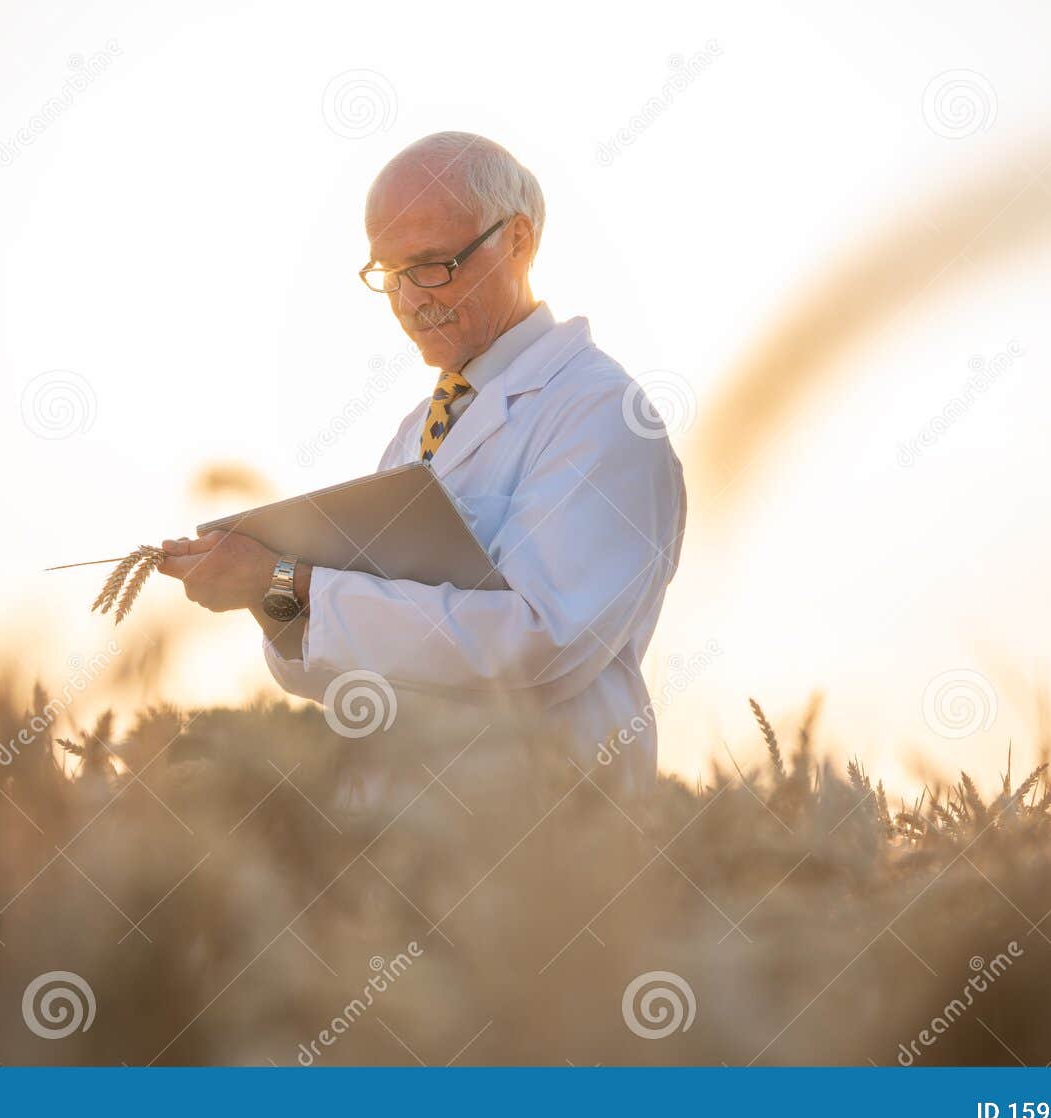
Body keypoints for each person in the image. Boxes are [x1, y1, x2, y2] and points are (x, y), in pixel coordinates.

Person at [158, 131, 686, 813]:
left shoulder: (599, 412)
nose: (410, 299)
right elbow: (354, 663)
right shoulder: (417, 430)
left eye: (435, 264)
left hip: (545, 847)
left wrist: (292, 582)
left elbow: (537, 648)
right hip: (396, 844)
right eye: (390, 272)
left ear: (519, 241)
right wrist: (272, 593)